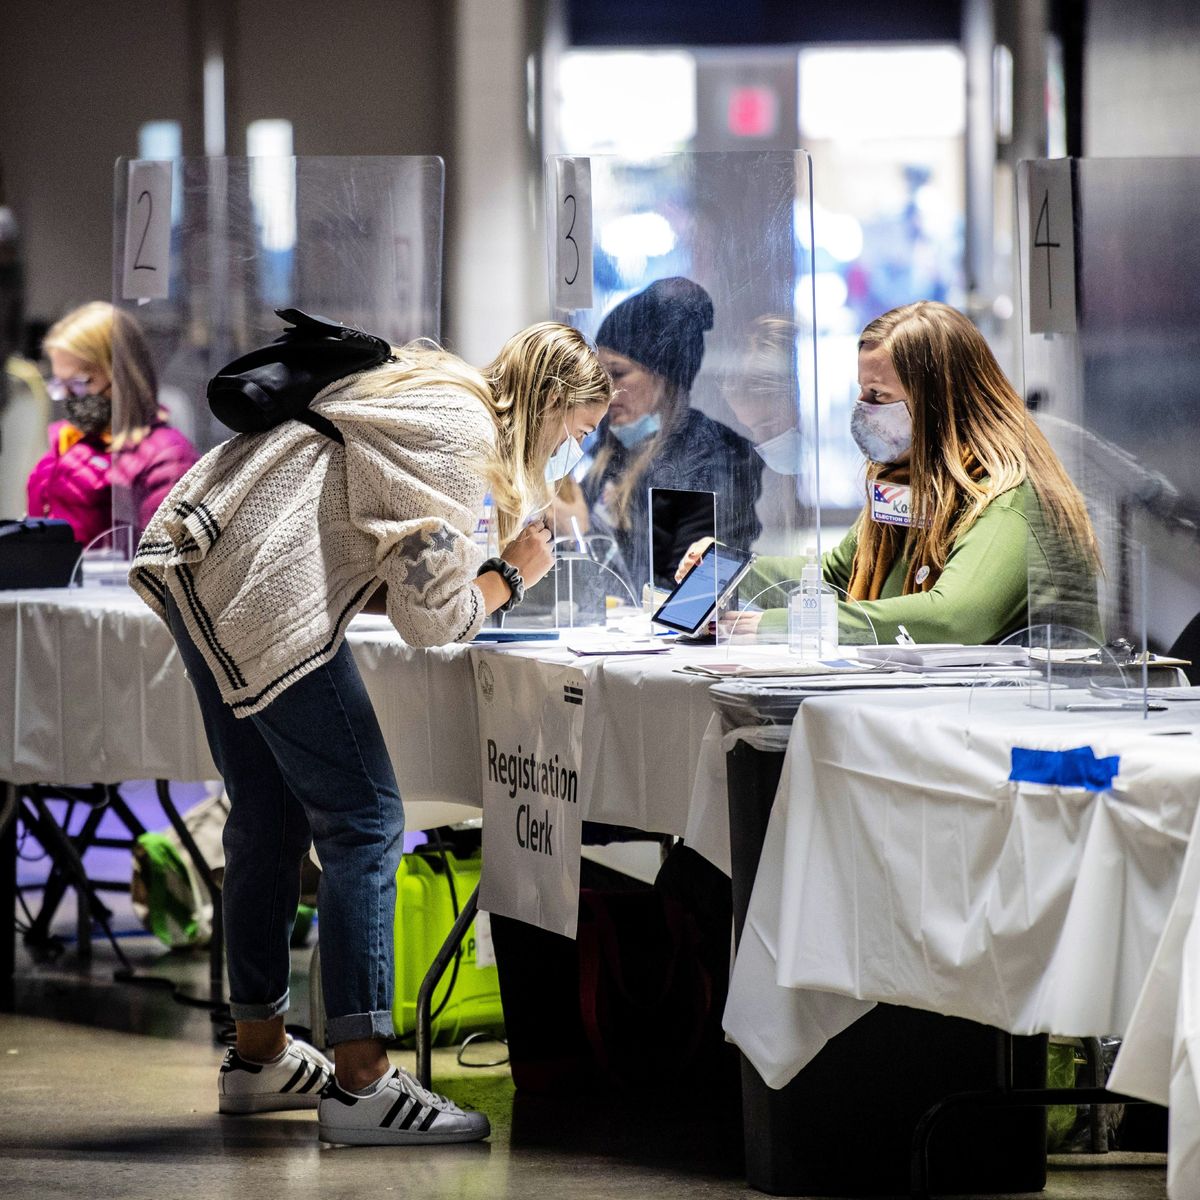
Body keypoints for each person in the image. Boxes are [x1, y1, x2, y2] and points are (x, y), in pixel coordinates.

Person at [129, 321, 611, 1146]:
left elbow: (387, 563)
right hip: (261, 593)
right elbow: (434, 621)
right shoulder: (461, 434)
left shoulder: (440, 393)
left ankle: (260, 1056)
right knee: (365, 821)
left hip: (203, 560)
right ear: (554, 400)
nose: (579, 449)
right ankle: (363, 1080)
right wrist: (510, 574)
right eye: (582, 429)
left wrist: (469, 573)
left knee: (269, 817)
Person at [677, 301, 1101, 645]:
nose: (862, 408)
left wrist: (782, 625)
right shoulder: (907, 483)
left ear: (938, 403)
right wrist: (729, 569)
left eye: (878, 395)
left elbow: (954, 617)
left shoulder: (1010, 497)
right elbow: (837, 575)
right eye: (862, 391)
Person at [558, 277, 763, 589]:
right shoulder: (612, 453)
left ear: (664, 377)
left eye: (617, 373)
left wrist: (579, 534)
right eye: (599, 377)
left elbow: (688, 590)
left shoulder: (713, 461)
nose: (606, 392)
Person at [26, 302, 196, 545]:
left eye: (78, 383)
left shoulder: (167, 456)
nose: (67, 396)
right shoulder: (66, 440)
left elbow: (161, 556)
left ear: (120, 376)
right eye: (60, 385)